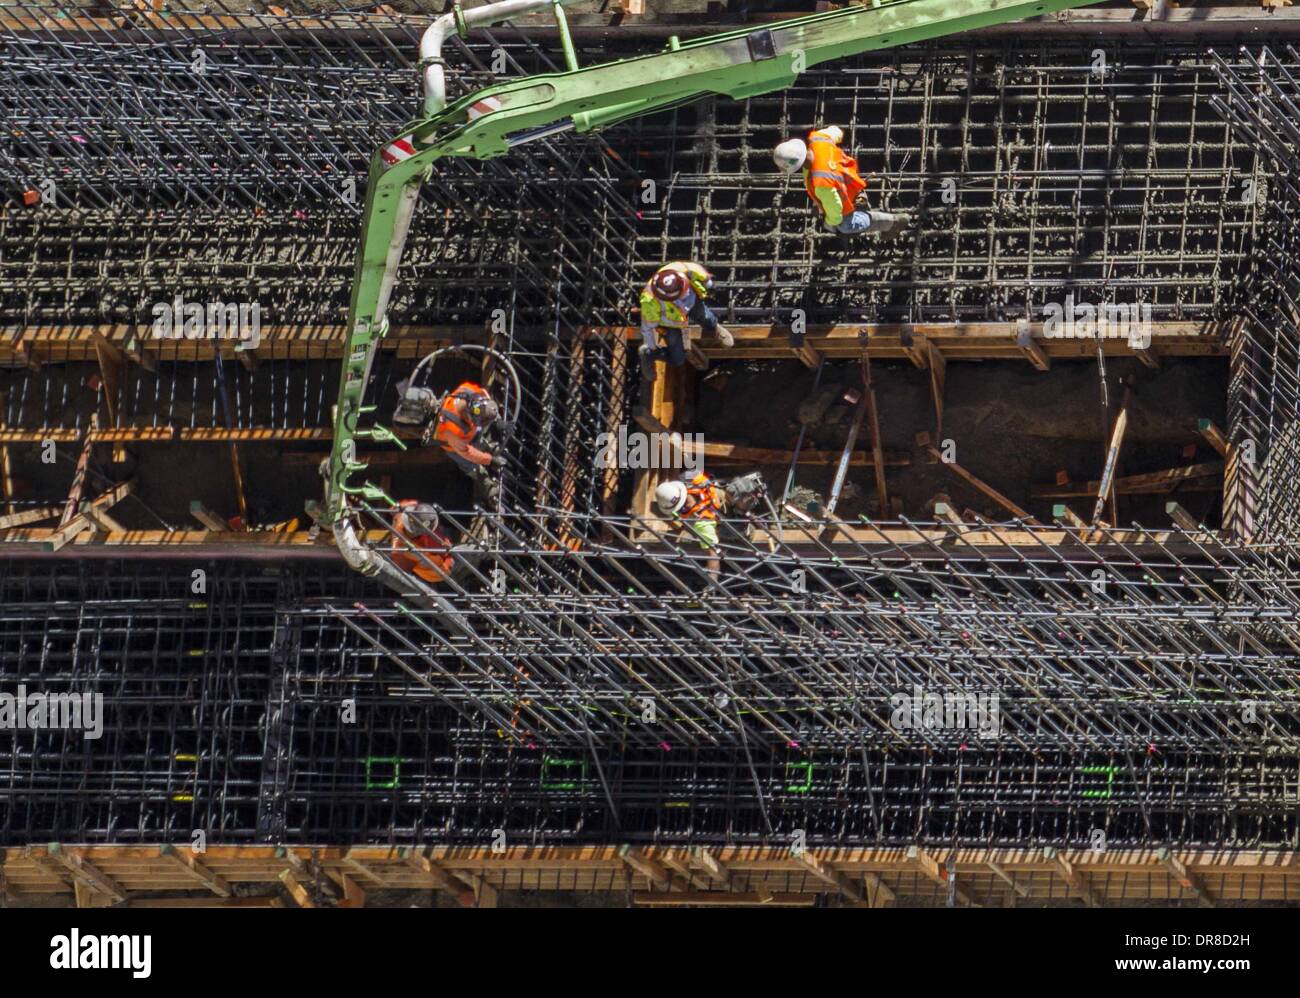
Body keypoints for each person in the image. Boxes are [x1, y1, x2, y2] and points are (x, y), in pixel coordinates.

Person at [772, 125, 909, 235]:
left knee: (844, 225)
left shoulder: (821, 183)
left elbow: (836, 211)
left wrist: (829, 221)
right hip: (850, 176)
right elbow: (836, 131)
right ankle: (861, 199)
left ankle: (892, 223)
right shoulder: (818, 139)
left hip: (845, 194)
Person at [638, 261, 734, 381]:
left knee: (707, 318)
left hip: (692, 303)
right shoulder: (649, 301)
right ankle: (648, 355)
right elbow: (647, 328)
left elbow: (697, 271)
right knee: (677, 360)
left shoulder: (680, 268)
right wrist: (652, 347)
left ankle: (716, 329)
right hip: (670, 324)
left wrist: (708, 283)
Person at [655, 470, 727, 580]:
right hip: (719, 495)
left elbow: (713, 553)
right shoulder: (687, 478)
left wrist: (712, 580)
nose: (683, 509)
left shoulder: (702, 523)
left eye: (682, 507)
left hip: (724, 503)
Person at [433, 381, 505, 483]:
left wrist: (498, 420)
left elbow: (484, 394)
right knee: (467, 463)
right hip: (455, 447)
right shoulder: (451, 428)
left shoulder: (468, 390)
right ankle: (486, 483)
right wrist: (490, 460)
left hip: (469, 435)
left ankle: (486, 445)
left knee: (480, 434)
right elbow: (467, 452)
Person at [388, 500, 454, 583]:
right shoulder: (403, 550)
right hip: (436, 570)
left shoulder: (401, 517)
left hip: (438, 569)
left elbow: (403, 568)